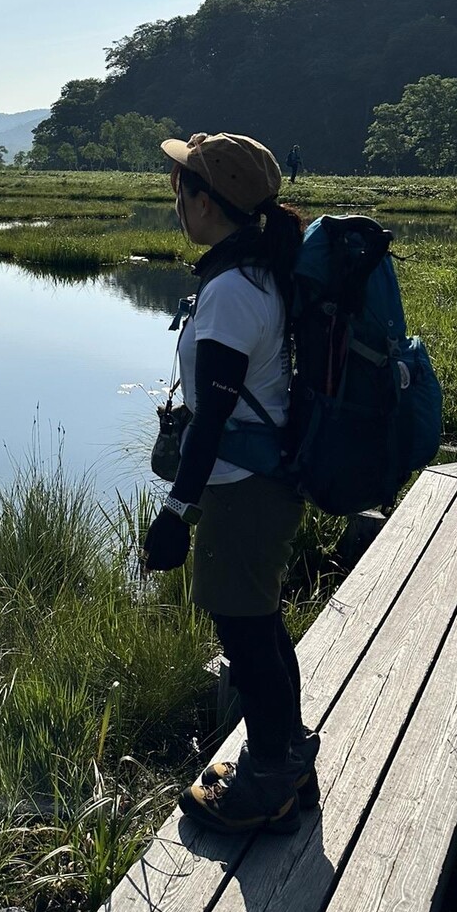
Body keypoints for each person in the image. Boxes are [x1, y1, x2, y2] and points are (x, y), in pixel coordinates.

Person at [141, 131, 318, 835]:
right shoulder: (255, 275)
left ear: (207, 203)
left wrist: (174, 514)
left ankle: (270, 782)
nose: (174, 200)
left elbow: (211, 421)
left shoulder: (231, 295)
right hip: (263, 483)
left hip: (243, 490)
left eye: (180, 188)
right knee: (262, 626)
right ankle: (285, 755)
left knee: (246, 635)